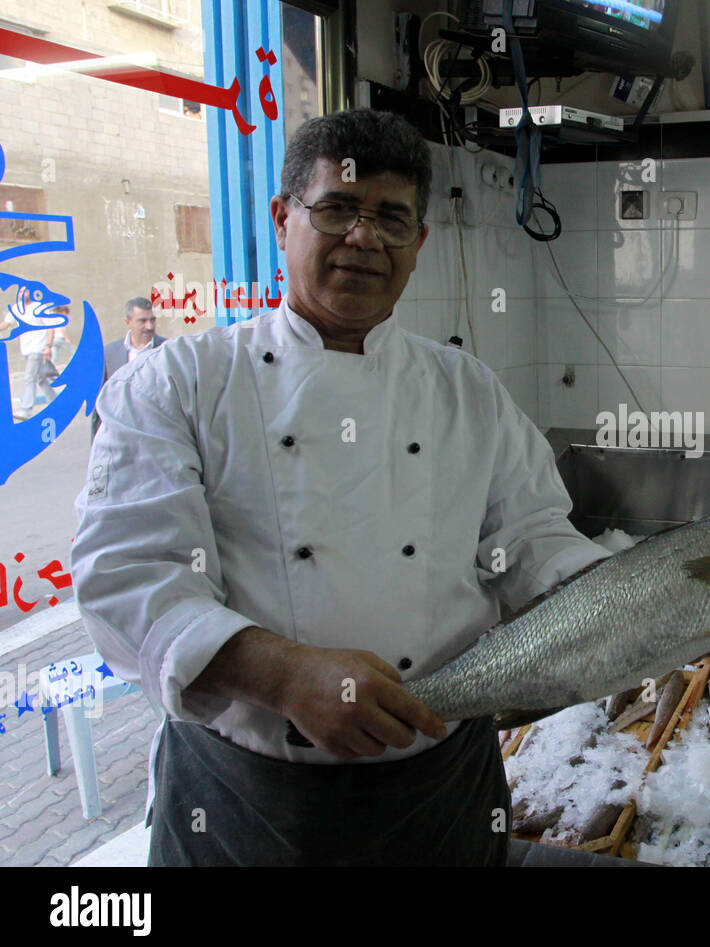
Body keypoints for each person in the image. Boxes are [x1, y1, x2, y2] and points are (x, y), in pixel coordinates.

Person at [69, 109, 612, 865]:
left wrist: (651, 603)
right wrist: (285, 675)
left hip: (443, 784)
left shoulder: (467, 389)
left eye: (391, 218)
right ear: (283, 219)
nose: (364, 238)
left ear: (419, 244)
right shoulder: (180, 385)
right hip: (247, 799)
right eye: (337, 210)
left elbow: (531, 542)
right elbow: (129, 582)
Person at [89, 298, 166, 439]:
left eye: (152, 320)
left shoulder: (167, 350)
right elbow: (100, 404)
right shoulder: (110, 355)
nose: (149, 326)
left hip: (157, 437)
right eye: (142, 321)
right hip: (121, 436)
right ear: (128, 322)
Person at [15, 304, 64, 421]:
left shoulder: (39, 307)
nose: (23, 294)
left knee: (29, 378)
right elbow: (7, 323)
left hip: (38, 349)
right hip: (26, 349)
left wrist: (48, 346)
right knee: (41, 379)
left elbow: (50, 327)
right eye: (20, 292)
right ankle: (55, 403)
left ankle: (26, 410)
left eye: (26, 291)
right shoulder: (17, 308)